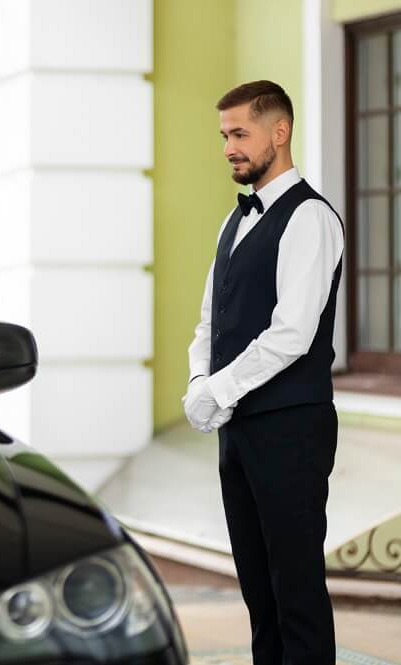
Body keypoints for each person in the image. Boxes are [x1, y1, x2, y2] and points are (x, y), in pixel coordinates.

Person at [182, 80, 344, 665]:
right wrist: (200, 384)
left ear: (280, 132)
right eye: (224, 135)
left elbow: (291, 334)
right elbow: (210, 319)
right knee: (258, 592)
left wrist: (219, 389)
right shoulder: (235, 221)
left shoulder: (310, 219)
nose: (229, 147)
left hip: (291, 431)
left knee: (294, 592)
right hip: (239, 429)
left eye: (240, 134)